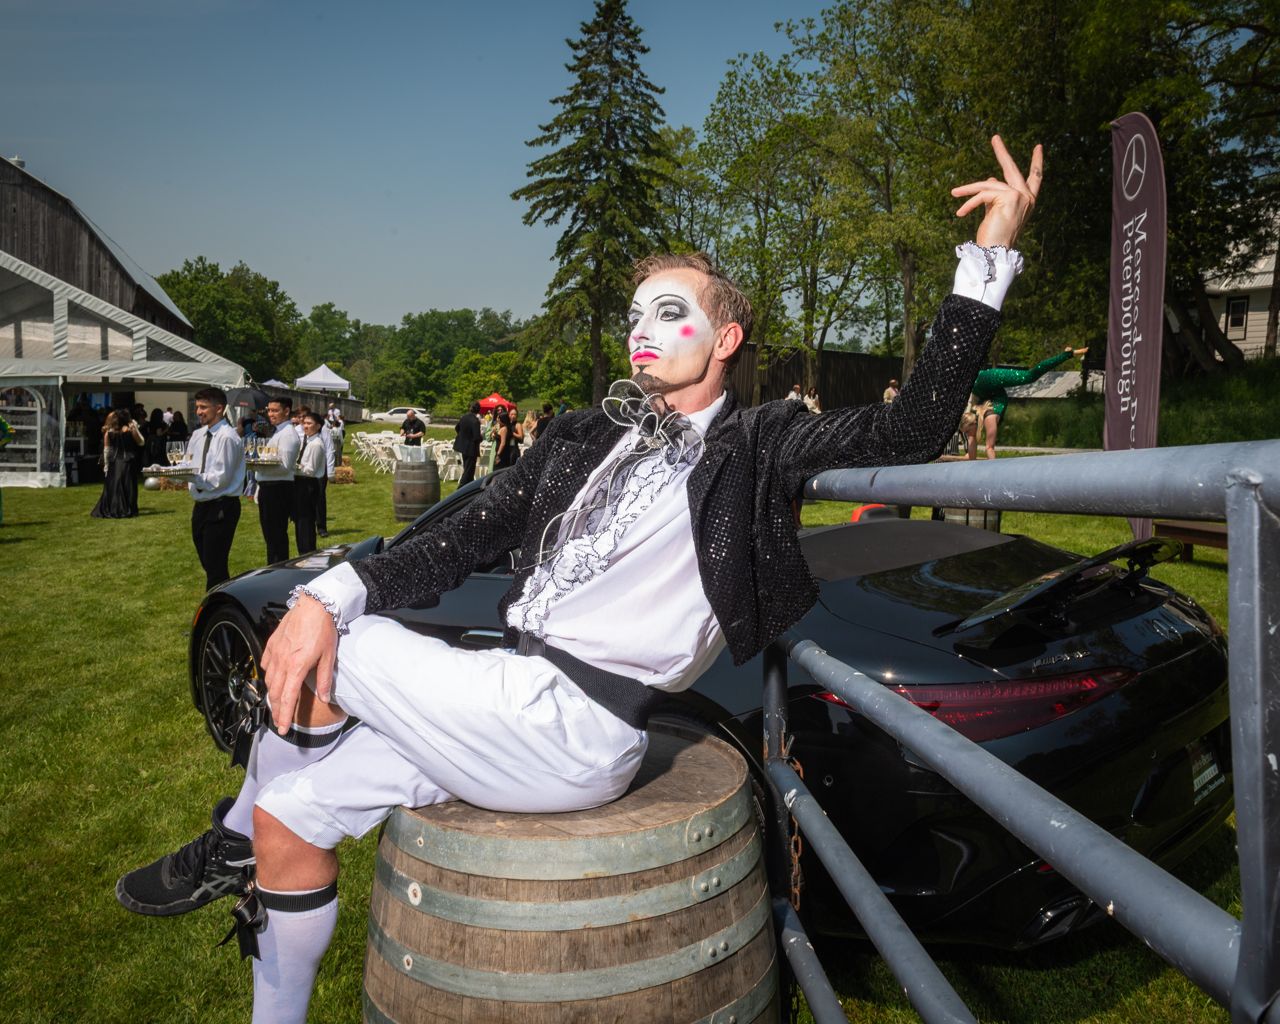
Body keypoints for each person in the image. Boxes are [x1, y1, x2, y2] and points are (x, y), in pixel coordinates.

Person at [115, 134, 1041, 1023]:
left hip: (575, 727)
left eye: (670, 314)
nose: (643, 332)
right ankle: (252, 861)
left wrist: (986, 259)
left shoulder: (758, 445)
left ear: (726, 338)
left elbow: (912, 428)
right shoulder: (583, 438)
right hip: (501, 694)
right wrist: (349, 585)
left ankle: (224, 839)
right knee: (290, 815)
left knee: (325, 622)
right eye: (635, 316)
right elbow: (473, 528)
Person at [962, 346, 1088, 460]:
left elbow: (989, 448)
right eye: (966, 433)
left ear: (973, 423)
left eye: (967, 431)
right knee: (973, 436)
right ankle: (1066, 354)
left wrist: (994, 472)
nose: (968, 435)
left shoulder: (989, 418)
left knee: (1030, 376)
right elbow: (972, 449)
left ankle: (1067, 354)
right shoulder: (978, 417)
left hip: (987, 380)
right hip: (986, 389)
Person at [184, 387, 246, 590]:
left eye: (203, 407)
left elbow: (220, 479)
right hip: (201, 505)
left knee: (215, 565)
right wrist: (169, 473)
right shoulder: (197, 435)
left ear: (219, 408)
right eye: (197, 407)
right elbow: (188, 465)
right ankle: (223, 600)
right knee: (209, 563)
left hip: (222, 506)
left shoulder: (228, 437)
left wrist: (190, 476)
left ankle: (216, 610)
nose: (199, 412)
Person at [253, 397, 301, 565]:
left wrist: (257, 466)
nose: (270, 414)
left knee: (276, 537)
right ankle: (275, 569)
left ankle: (278, 570)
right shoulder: (278, 432)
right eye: (269, 410)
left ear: (286, 411)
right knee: (272, 537)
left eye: (275, 410)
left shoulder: (287, 434)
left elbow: (285, 466)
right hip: (270, 487)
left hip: (278, 489)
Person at [90, 410, 143, 518]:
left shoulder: (109, 432)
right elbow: (141, 442)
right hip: (127, 462)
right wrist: (135, 429)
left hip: (114, 463)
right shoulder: (130, 430)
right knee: (128, 486)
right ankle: (127, 508)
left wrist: (106, 466)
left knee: (114, 486)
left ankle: (114, 508)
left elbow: (107, 449)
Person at [293, 412, 326, 555]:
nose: (305, 426)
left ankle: (307, 553)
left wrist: (291, 467)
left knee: (305, 522)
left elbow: (310, 470)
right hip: (302, 483)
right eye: (304, 423)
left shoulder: (316, 444)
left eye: (309, 423)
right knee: (301, 522)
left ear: (318, 426)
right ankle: (304, 552)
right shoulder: (308, 441)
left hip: (308, 484)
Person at [453, 400, 482, 485]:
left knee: (467, 467)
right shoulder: (475, 421)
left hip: (463, 446)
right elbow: (477, 437)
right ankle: (462, 486)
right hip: (471, 448)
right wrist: (481, 438)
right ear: (478, 410)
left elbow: (457, 428)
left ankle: (469, 485)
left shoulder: (464, 417)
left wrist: (463, 436)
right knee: (469, 469)